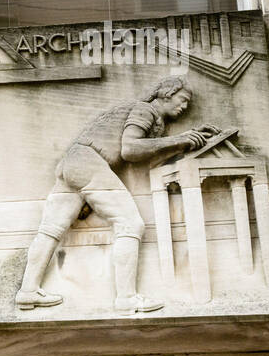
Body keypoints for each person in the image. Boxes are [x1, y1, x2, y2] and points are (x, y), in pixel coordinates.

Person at [16, 75, 219, 314]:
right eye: (182, 99)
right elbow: (130, 149)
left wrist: (188, 138)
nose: (184, 107)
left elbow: (147, 152)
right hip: (90, 162)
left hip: (74, 161)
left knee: (51, 229)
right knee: (130, 224)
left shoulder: (144, 115)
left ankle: (28, 291)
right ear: (166, 93)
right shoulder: (145, 110)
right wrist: (180, 139)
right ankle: (127, 298)